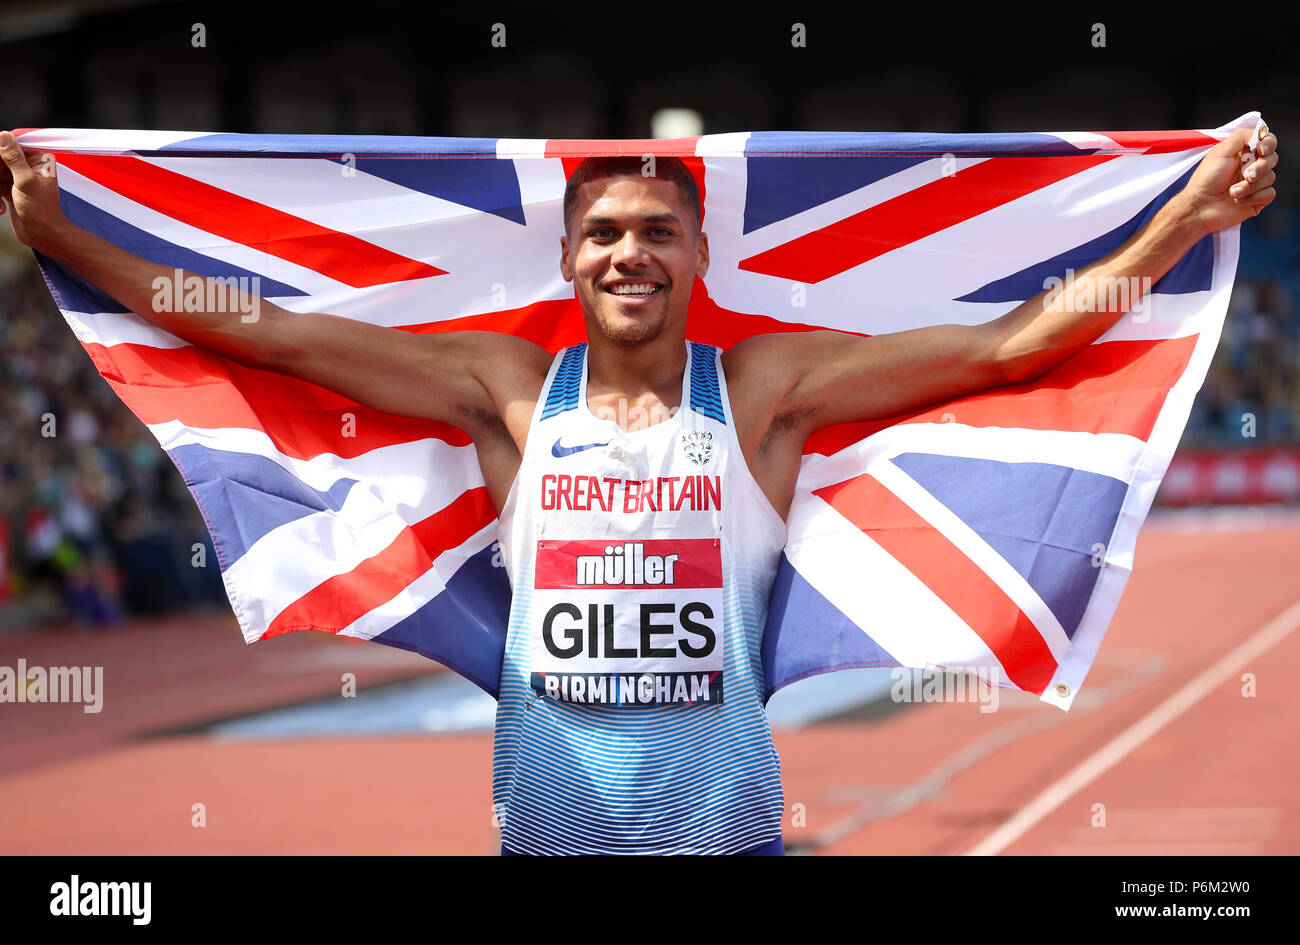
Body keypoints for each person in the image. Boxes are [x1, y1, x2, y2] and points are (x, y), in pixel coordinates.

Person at [0, 125, 1279, 855]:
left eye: (656, 233)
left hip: (725, 843)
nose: (630, 253)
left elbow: (1008, 348)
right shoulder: (506, 393)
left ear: (696, 255)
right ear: (566, 258)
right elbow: (267, 335)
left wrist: (1174, 222)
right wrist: (72, 244)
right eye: (605, 233)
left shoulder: (763, 389)